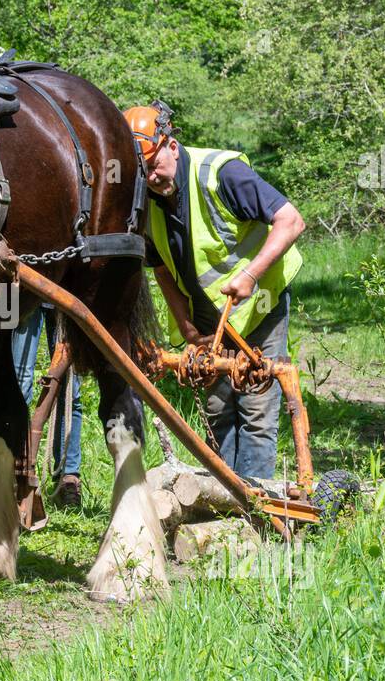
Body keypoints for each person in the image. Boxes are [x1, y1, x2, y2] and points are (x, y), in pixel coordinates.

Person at [124, 102, 305, 481]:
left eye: (155, 165)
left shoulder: (222, 174)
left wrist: (251, 275)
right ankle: (221, 502)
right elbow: (159, 266)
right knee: (218, 409)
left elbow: (290, 220)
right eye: (144, 172)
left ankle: (254, 512)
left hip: (259, 306)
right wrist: (185, 325)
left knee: (255, 410)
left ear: (171, 145)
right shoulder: (147, 200)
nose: (153, 178)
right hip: (210, 322)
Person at [12, 305, 83, 506]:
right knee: (20, 385)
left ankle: (68, 477)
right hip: (28, 291)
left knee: (71, 392)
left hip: (66, 292)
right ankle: (15, 468)